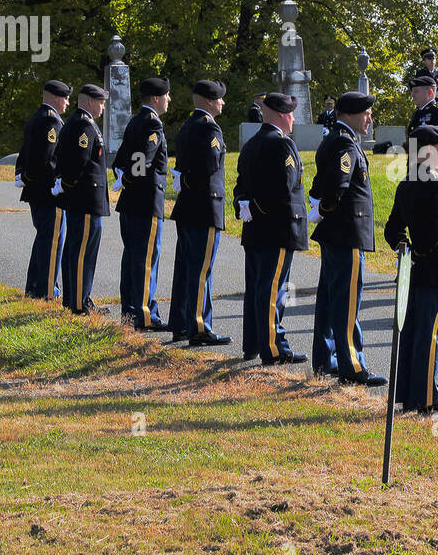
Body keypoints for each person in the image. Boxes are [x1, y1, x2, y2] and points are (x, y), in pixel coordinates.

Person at [384, 124, 438, 413]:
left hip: (418, 269)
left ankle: (410, 393)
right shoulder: (437, 184)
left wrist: (406, 249)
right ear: (430, 150)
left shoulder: (407, 182)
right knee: (432, 334)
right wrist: (419, 251)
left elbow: (392, 229)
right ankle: (428, 396)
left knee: (417, 332)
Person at [309, 91, 384, 386]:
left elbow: (320, 186)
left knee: (331, 299)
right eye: (366, 113)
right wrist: (326, 208)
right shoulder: (344, 142)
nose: (370, 119)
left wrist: (321, 207)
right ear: (351, 114)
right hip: (346, 232)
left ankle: (325, 359)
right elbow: (337, 185)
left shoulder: (337, 138)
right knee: (347, 302)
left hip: (336, 232)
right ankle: (352, 365)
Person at [234, 91, 309, 365]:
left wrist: (245, 206)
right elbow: (283, 188)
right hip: (277, 229)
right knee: (272, 289)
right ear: (280, 114)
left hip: (255, 228)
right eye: (290, 114)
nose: (293, 119)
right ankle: (274, 347)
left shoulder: (252, 143)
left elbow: (240, 186)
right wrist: (256, 207)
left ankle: (253, 342)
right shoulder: (281, 145)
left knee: (257, 286)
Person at [168, 80, 231, 346]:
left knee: (185, 267)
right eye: (219, 99)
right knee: (201, 270)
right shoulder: (209, 128)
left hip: (187, 206)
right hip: (204, 206)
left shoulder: (187, 125)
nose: (222, 103)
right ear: (208, 101)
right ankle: (199, 327)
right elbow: (210, 164)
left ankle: (181, 323)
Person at [112, 77, 171, 330]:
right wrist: (128, 177)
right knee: (146, 259)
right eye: (166, 96)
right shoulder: (152, 125)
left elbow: (121, 159)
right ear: (156, 98)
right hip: (146, 202)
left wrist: (123, 177)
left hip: (130, 202)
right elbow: (142, 161)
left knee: (132, 258)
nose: (169, 100)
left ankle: (129, 311)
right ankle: (145, 314)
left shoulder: (135, 121)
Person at [54, 84, 109, 314]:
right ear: (88, 101)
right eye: (100, 102)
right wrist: (68, 185)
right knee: (81, 253)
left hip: (86, 198)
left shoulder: (80, 123)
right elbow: (79, 161)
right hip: (85, 198)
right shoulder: (83, 125)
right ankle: (78, 302)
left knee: (80, 251)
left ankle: (79, 298)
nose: (103, 106)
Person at [16, 79, 71, 299]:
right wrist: (59, 182)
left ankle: (35, 286)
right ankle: (47, 290)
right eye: (65, 97)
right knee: (52, 240)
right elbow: (49, 159)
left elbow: (25, 153)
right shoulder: (51, 122)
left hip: (37, 190)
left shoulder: (37, 118)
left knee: (44, 238)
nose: (67, 102)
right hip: (49, 192)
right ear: (56, 98)